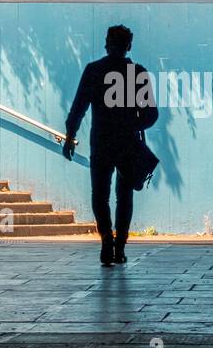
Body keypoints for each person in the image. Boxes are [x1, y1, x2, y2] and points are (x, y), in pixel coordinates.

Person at [63, 24, 158, 267]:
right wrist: (132, 124)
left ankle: (106, 238)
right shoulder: (139, 73)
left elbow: (79, 107)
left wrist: (70, 136)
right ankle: (121, 247)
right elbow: (151, 115)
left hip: (101, 142)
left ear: (107, 43)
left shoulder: (94, 70)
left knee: (100, 195)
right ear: (129, 46)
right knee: (124, 196)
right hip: (127, 143)